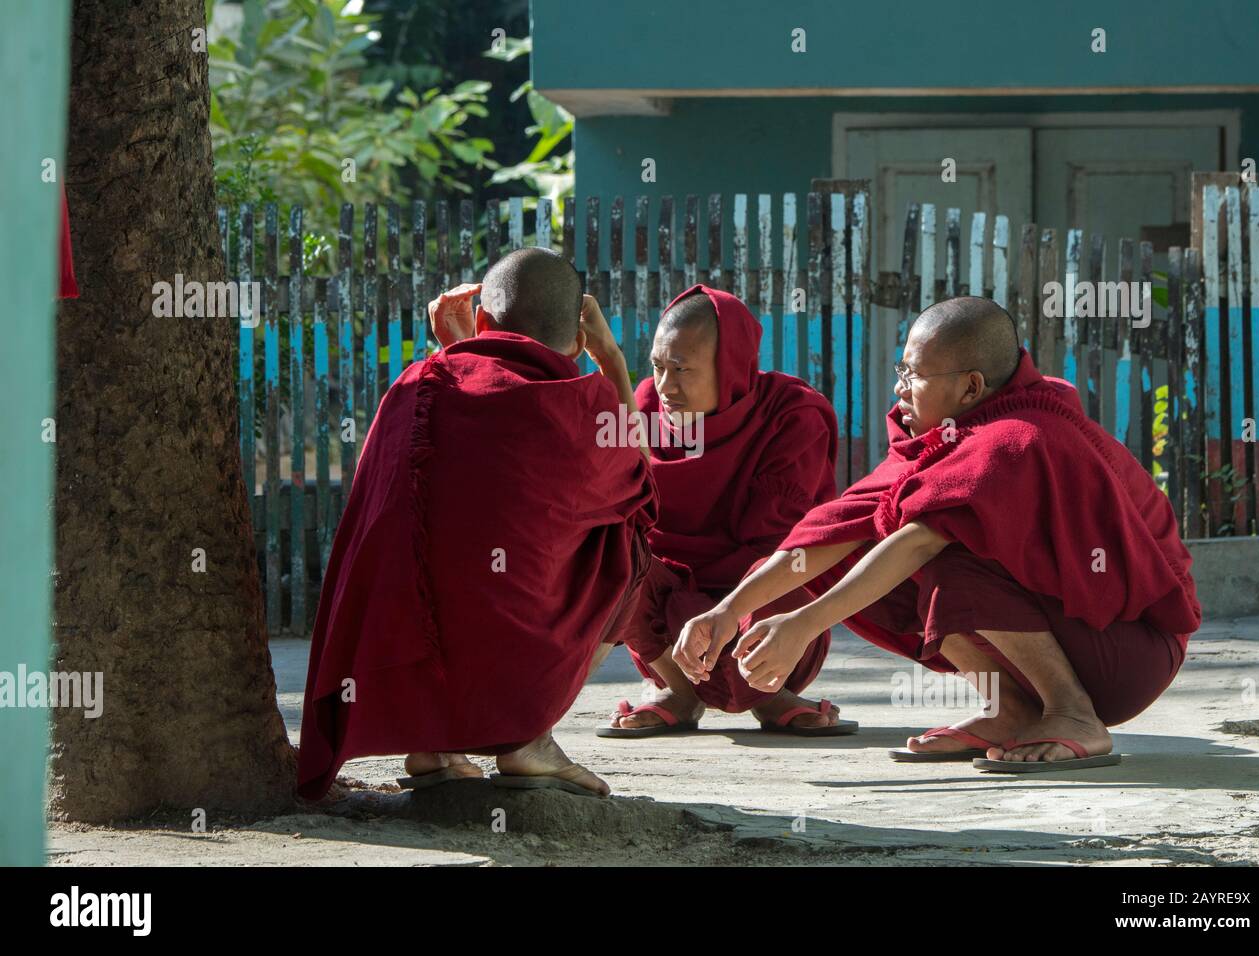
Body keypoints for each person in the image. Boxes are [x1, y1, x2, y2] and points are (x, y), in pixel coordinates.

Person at [672, 296, 1200, 772]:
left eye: (914, 374)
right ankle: (1010, 709)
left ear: (970, 386)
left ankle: (1073, 714)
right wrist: (728, 611)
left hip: (1129, 650)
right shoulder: (943, 436)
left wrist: (802, 626)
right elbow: (833, 530)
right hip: (1082, 637)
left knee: (947, 554)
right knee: (848, 551)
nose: (899, 387)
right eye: (901, 368)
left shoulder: (1018, 438)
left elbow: (922, 537)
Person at [297, 248, 655, 800]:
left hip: (405, 621)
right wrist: (612, 360)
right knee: (632, 541)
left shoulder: (415, 385)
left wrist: (459, 349)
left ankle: (434, 744)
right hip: (515, 626)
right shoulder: (582, 403)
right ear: (580, 341)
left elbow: (472, 422)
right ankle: (527, 740)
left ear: (484, 322)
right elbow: (640, 480)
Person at [599, 285, 855, 738]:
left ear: (731, 368)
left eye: (681, 370)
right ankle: (678, 691)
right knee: (610, 545)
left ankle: (772, 694)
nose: (665, 386)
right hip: (668, 619)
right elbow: (618, 501)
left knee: (791, 560)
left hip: (760, 607)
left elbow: (788, 543)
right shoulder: (647, 410)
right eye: (658, 367)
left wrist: (724, 611)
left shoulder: (791, 416)